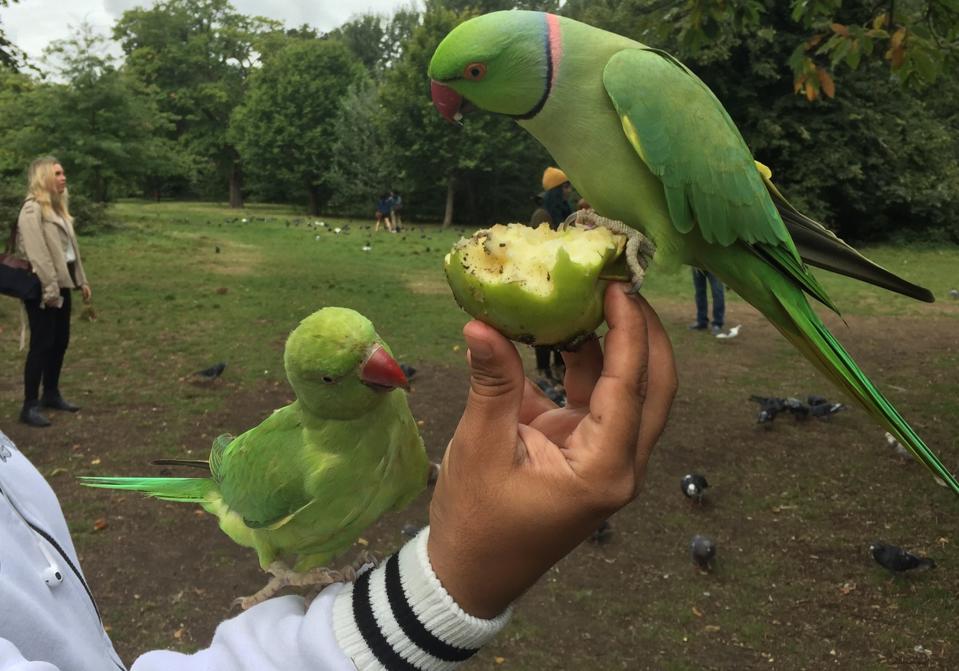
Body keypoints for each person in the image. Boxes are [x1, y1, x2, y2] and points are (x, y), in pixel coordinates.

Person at [0, 284, 677, 671]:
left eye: (372, 346)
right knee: (275, 544)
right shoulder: (298, 462)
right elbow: (250, 518)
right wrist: (290, 576)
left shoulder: (395, 407)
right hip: (254, 510)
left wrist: (465, 485)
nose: (382, 369)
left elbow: (415, 473)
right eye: (341, 372)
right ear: (315, 388)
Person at [13, 156, 92, 428]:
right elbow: (39, 256)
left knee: (60, 342)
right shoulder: (32, 210)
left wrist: (81, 280)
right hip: (43, 289)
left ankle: (51, 393)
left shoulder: (58, 209)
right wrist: (50, 292)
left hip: (63, 284)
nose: (63, 177)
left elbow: (70, 252)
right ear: (44, 176)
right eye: (57, 173)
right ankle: (29, 405)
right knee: (42, 345)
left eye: (63, 172)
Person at [535, 167, 573, 381]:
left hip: (563, 278)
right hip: (545, 277)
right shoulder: (542, 214)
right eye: (566, 186)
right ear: (558, 189)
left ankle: (561, 364)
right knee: (543, 328)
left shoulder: (566, 210)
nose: (569, 190)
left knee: (563, 328)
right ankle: (543, 368)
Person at [689, 268, 725, 335]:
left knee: (717, 292)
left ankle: (718, 323)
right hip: (697, 264)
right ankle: (701, 321)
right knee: (699, 292)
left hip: (714, 264)